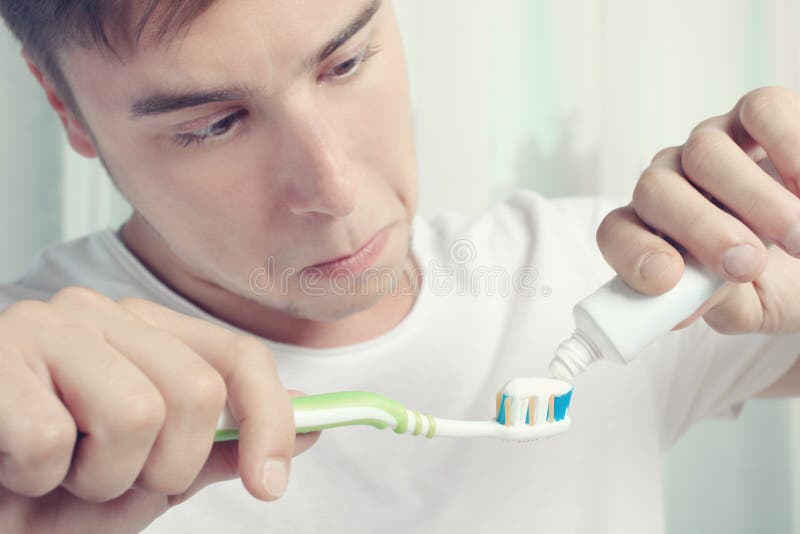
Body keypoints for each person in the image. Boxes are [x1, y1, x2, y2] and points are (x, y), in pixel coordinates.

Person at [1, 1, 799, 532]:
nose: (334, 190)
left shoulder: (608, 273)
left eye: (344, 65)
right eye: (213, 125)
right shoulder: (31, 420)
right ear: (64, 105)